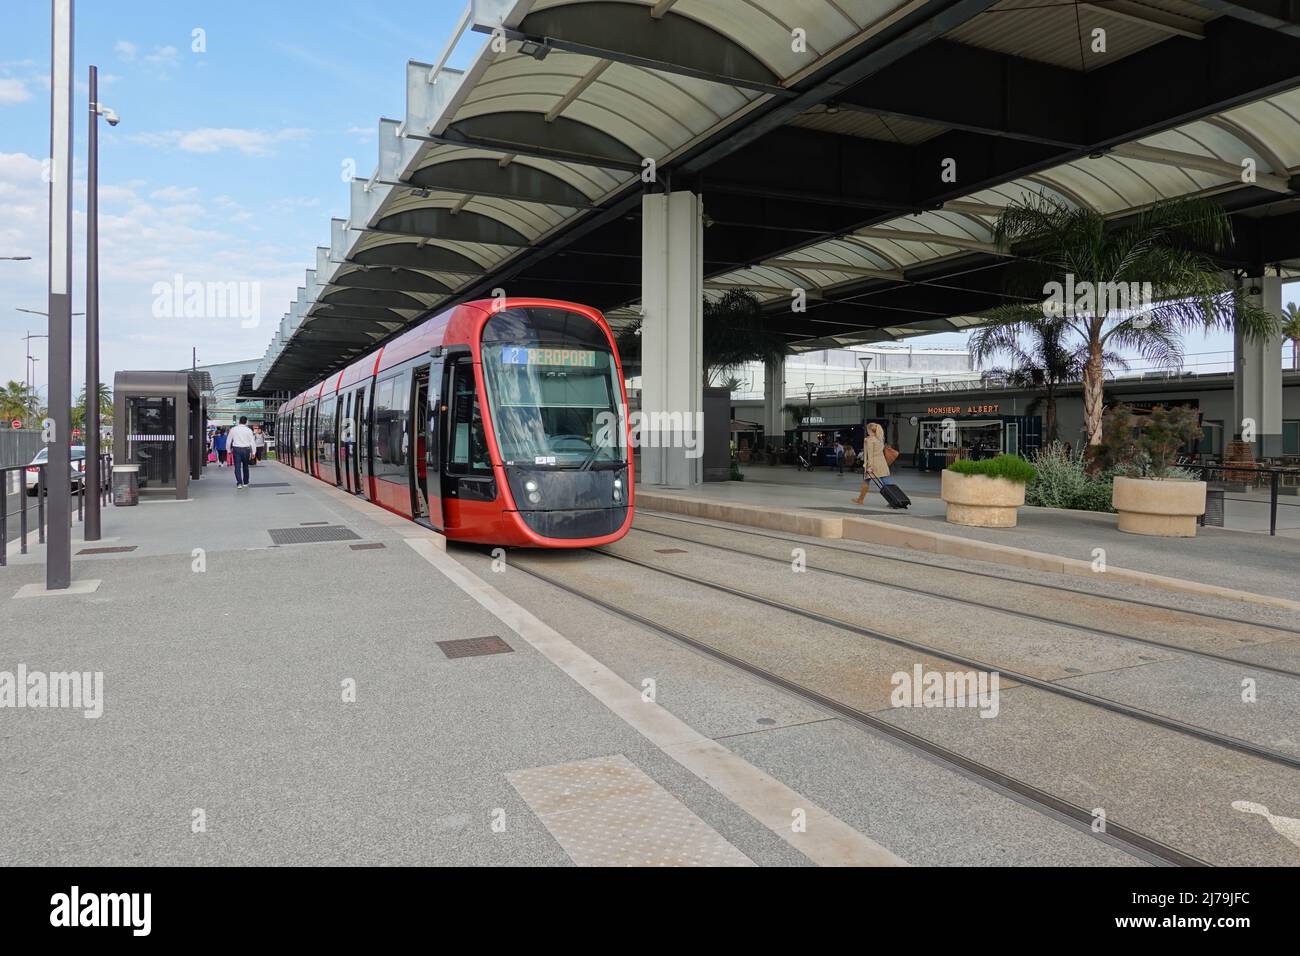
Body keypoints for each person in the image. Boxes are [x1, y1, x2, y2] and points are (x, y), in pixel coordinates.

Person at [852, 422, 891, 503]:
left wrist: (869, 466)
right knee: (886, 482)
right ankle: (893, 499)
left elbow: (870, 454)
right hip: (882, 463)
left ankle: (860, 499)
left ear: (869, 430)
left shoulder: (869, 440)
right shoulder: (880, 439)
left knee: (866, 480)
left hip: (873, 464)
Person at [227, 416, 257, 489]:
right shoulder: (249, 430)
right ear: (246, 422)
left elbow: (228, 441)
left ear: (239, 421)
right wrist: (254, 452)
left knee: (237, 467)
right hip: (246, 450)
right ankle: (246, 482)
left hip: (236, 450)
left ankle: (239, 483)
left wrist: (228, 450)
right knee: (245, 466)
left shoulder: (233, 429)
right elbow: (252, 442)